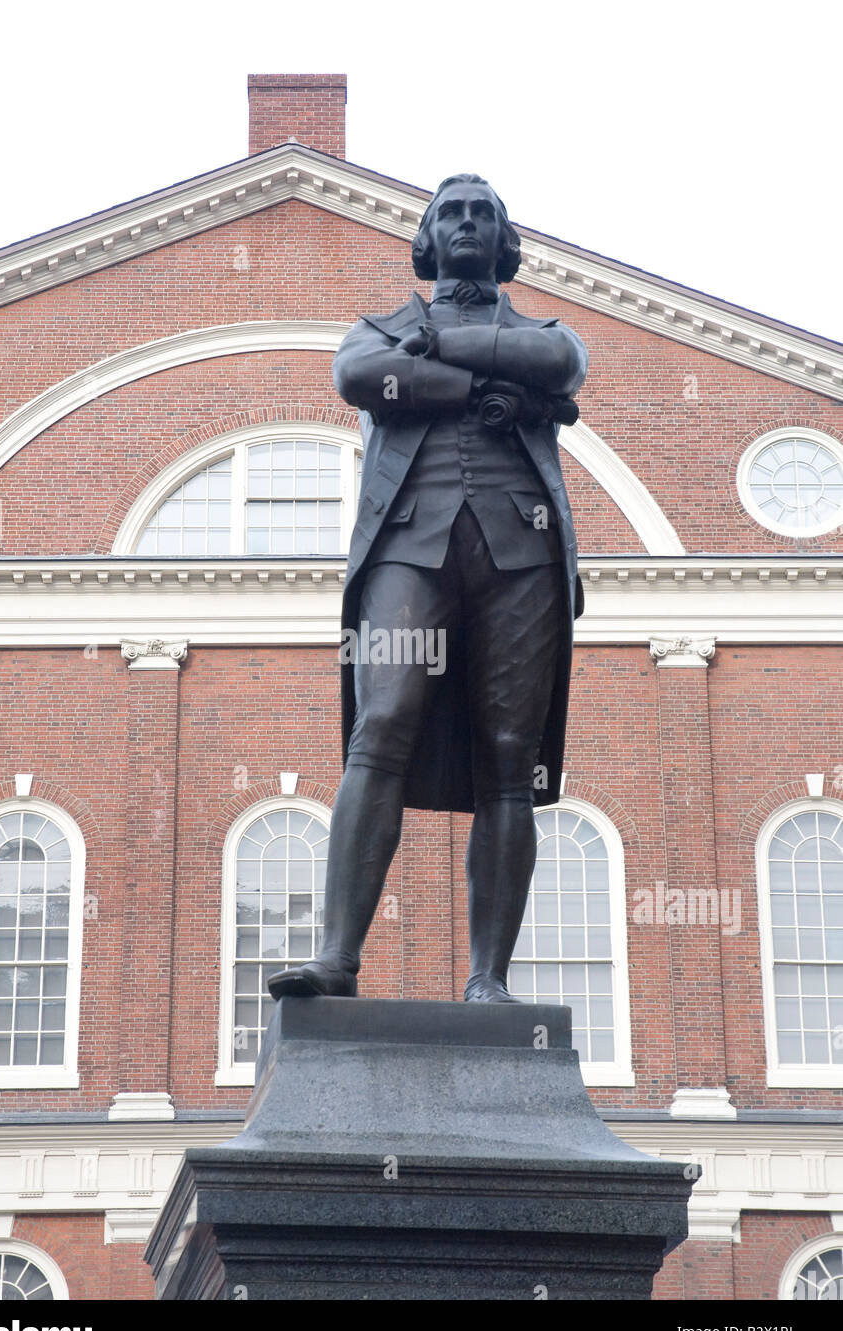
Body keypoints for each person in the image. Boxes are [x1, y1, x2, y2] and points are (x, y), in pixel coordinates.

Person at [269, 174, 587, 1004]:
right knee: (381, 724)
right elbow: (359, 376)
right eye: (453, 213)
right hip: (409, 547)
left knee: (510, 759)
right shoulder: (380, 330)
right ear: (428, 239)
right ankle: (338, 960)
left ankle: (488, 981)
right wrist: (490, 388)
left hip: (522, 555)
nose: (470, 224)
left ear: (505, 241)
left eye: (485, 214)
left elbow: (560, 362)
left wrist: (440, 355)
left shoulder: (540, 332)